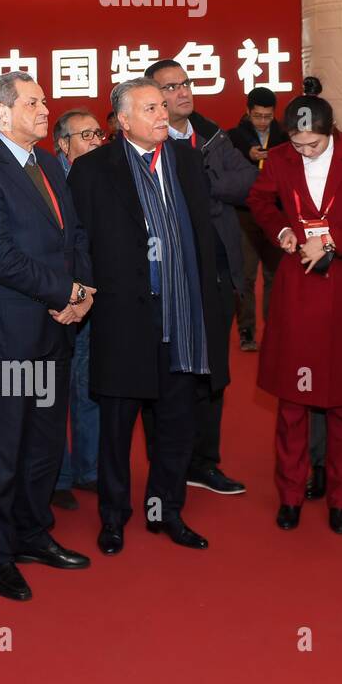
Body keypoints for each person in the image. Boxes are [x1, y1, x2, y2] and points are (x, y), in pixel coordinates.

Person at [68, 79, 226, 556]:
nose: (163, 114)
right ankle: (113, 517)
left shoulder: (185, 160)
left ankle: (167, 510)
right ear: (123, 121)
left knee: (176, 425)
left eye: (163, 106)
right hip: (124, 321)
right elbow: (79, 243)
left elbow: (204, 233)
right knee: (117, 428)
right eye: (151, 108)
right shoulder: (94, 169)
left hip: (183, 317)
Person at [0, 71, 93, 601]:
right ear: (1, 114)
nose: (44, 108)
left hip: (54, 329)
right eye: (33, 102)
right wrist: (65, 294)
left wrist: (81, 289)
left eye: (43, 99)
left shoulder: (52, 165)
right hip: (6, 337)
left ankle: (33, 534)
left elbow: (75, 235)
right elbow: (0, 259)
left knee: (42, 445)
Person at [145, 59, 256, 495]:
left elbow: (246, 181)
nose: (182, 92)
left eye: (185, 83)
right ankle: (167, 462)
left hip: (216, 272)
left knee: (214, 372)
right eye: (170, 88)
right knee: (168, 373)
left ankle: (204, 462)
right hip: (170, 275)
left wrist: (203, 184)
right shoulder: (144, 143)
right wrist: (209, 183)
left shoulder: (210, 133)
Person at [248, 95, 342, 535]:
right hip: (297, 291)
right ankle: (290, 494)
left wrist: (331, 242)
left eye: (313, 144)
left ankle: (341, 498)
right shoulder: (278, 159)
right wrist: (284, 230)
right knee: (293, 402)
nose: (304, 151)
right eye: (298, 143)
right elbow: (260, 202)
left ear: (330, 133)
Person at [49, 108, 105, 511]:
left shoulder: (110, 177)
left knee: (88, 386)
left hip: (94, 299)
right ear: (63, 145)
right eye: (86, 135)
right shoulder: (49, 179)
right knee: (53, 392)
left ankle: (91, 469)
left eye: (99, 133)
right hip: (53, 300)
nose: (97, 141)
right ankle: (59, 475)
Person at [228, 87, 288, 351]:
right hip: (245, 215)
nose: (263, 121)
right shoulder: (234, 137)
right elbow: (227, 174)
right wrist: (246, 157)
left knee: (276, 275)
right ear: (247, 112)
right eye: (257, 116)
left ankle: (275, 329)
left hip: (276, 214)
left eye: (267, 116)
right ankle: (246, 331)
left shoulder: (284, 136)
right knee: (246, 276)